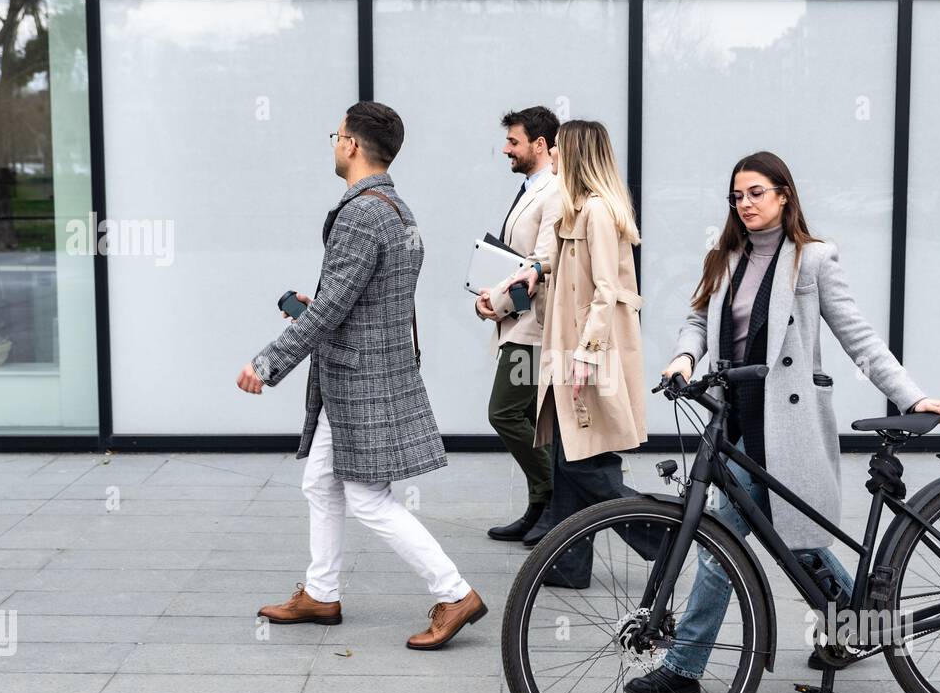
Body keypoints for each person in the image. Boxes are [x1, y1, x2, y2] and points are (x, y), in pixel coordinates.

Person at [625, 150, 940, 693]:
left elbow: (859, 338)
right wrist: (684, 357)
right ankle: (860, 627)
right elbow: (698, 319)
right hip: (734, 420)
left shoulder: (814, 259)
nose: (745, 203)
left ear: (783, 195)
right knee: (790, 539)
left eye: (756, 192)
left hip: (788, 422)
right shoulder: (724, 256)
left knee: (722, 542)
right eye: (737, 195)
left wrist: (912, 396)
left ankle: (684, 666)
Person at [237, 100, 486, 651]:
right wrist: (319, 301)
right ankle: (321, 593)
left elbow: (330, 314)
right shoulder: (397, 210)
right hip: (368, 373)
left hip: (359, 381)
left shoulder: (361, 213)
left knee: (369, 498)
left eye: (337, 134)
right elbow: (359, 297)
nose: (334, 143)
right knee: (320, 483)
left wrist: (267, 363)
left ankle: (454, 592)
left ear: (352, 144)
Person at [500, 119, 649, 586]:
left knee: (587, 463)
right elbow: (568, 269)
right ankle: (569, 564)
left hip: (588, 355)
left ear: (578, 154)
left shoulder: (599, 212)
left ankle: (665, 540)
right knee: (568, 455)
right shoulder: (579, 209)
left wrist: (586, 354)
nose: (556, 156)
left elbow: (607, 290)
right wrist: (536, 269)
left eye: (562, 149)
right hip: (568, 352)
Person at [475, 107, 562, 542]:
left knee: (505, 411)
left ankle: (558, 496)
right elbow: (515, 262)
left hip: (535, 329)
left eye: (514, 142)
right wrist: (490, 299)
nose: (506, 149)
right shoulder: (531, 189)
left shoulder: (554, 193)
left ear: (540, 144)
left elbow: (539, 266)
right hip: (518, 322)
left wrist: (497, 300)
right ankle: (541, 507)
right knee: (530, 416)